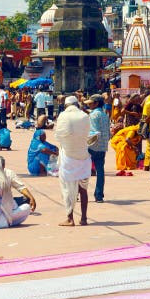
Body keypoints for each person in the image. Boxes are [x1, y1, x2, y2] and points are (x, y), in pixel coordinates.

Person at [55, 96, 92, 226]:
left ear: (66, 105)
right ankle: (84, 218)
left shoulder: (63, 116)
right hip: (84, 157)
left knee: (67, 189)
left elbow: (58, 136)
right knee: (83, 189)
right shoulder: (85, 116)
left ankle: (70, 218)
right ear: (77, 104)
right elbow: (88, 134)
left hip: (68, 158)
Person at [86, 95, 110, 203]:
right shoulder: (105, 115)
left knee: (83, 170)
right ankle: (99, 195)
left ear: (96, 103)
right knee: (100, 171)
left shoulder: (93, 115)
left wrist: (85, 142)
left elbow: (94, 132)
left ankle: (78, 192)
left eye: (91, 103)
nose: (89, 105)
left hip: (92, 146)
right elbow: (107, 132)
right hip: (102, 146)